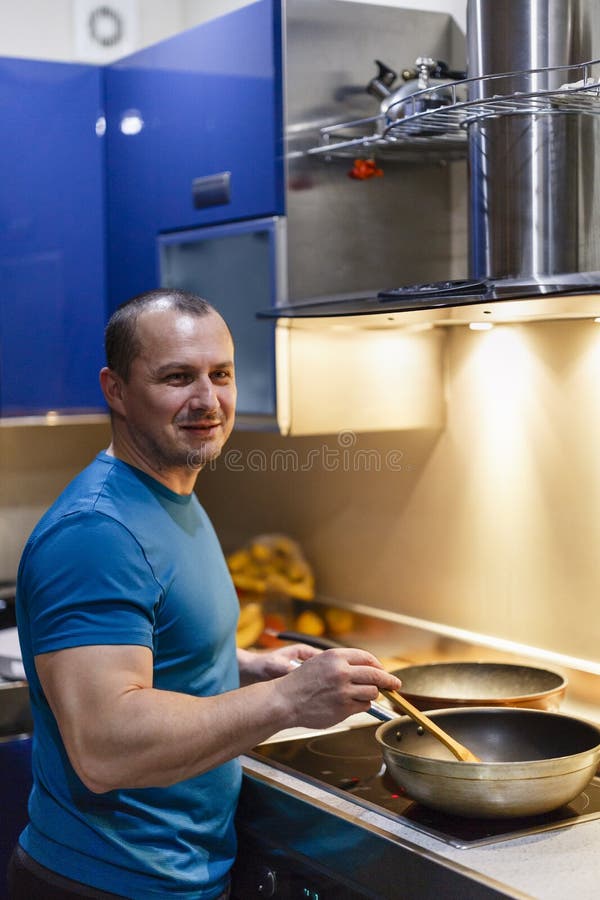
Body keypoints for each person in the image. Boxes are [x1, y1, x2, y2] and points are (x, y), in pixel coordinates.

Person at [10, 289, 402, 900]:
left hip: (176, 874)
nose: (207, 400)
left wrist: (242, 668)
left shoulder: (169, 494)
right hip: (109, 883)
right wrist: (288, 700)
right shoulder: (97, 533)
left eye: (220, 374)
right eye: (177, 377)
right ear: (115, 389)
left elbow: (152, 651)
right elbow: (105, 745)